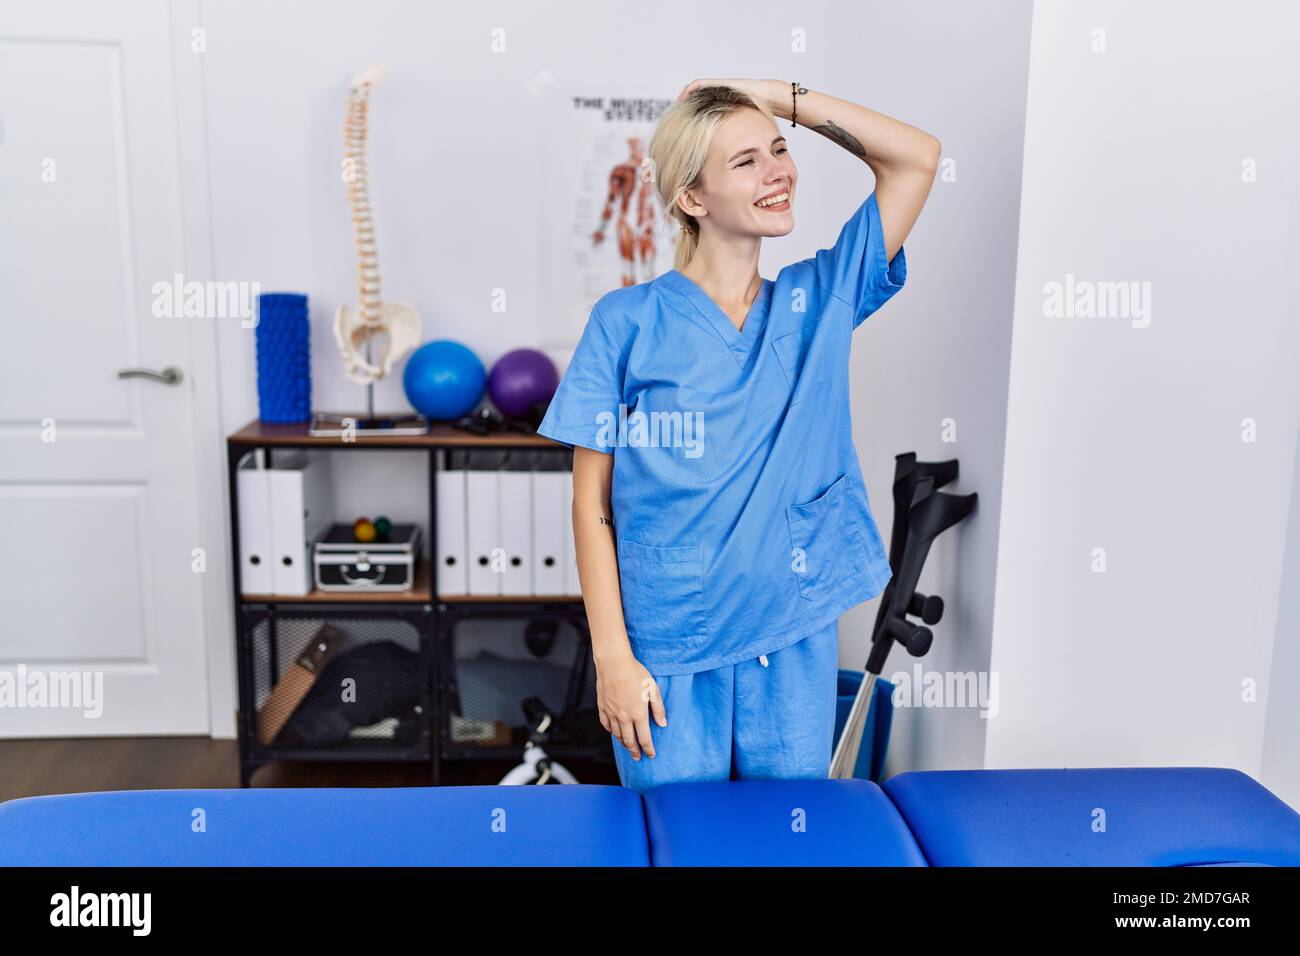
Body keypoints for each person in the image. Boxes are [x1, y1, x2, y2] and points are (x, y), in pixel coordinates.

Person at [536, 78, 940, 793]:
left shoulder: (819, 300)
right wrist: (613, 660)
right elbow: (590, 506)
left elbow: (915, 158)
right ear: (692, 197)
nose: (778, 170)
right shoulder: (625, 323)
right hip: (669, 648)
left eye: (779, 150)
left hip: (789, 635)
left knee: (783, 849)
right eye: (746, 161)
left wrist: (775, 96)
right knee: (679, 845)